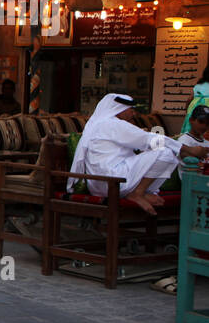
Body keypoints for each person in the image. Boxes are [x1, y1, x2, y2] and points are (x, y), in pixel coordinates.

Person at [69, 93, 207, 214]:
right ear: (119, 110)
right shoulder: (112, 124)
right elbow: (149, 140)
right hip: (113, 182)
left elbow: (145, 143)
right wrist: (188, 149)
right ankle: (138, 193)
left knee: (161, 152)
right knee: (166, 153)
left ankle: (141, 192)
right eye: (130, 109)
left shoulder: (103, 125)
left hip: (102, 184)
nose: (133, 113)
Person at [182, 66, 209, 134]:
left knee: (191, 129)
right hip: (206, 109)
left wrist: (187, 112)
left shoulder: (198, 85)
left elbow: (189, 99)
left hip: (193, 109)